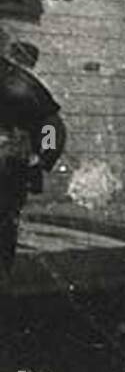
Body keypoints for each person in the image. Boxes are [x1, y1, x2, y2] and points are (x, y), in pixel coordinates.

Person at [0, 32, 65, 282]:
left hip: (7, 166)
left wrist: (42, 155)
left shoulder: (20, 84)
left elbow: (51, 125)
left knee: (4, 221)